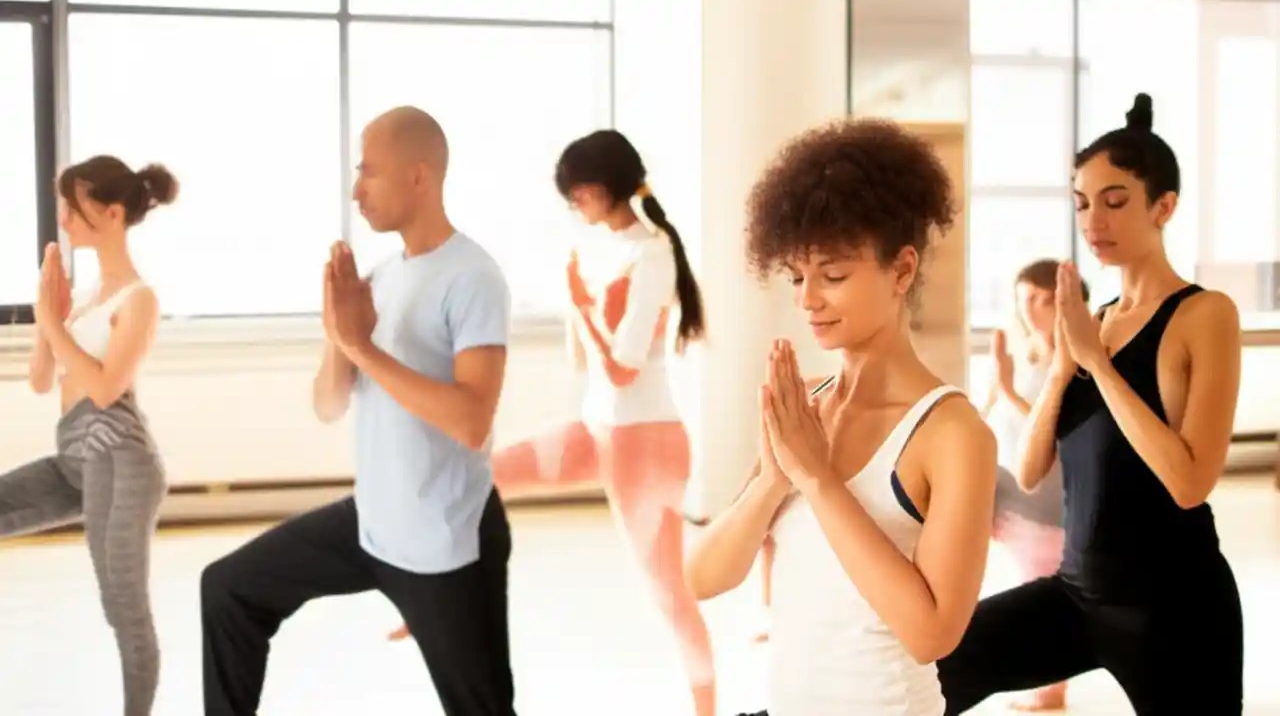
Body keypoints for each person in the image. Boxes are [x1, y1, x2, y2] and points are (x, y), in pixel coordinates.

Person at [200, 106, 517, 716]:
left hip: (447, 537)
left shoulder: (473, 276)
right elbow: (328, 405)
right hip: (373, 521)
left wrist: (362, 347)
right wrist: (337, 338)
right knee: (228, 588)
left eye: (369, 172)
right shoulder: (377, 276)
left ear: (419, 176)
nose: (356, 190)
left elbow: (471, 419)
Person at [389, 129, 716, 715]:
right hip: (597, 431)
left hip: (645, 443)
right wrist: (577, 308)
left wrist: (582, 304)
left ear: (598, 190)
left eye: (577, 195)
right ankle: (431, 600)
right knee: (476, 475)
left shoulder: (653, 253)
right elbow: (584, 363)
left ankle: (707, 708)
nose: (573, 208)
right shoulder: (605, 249)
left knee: (669, 594)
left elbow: (622, 368)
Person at [938, 94, 1244, 715]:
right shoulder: (1091, 321)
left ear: (1165, 206)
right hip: (1077, 595)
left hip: (1175, 609)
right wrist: (1064, 365)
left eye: (1114, 201)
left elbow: (1190, 482)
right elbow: (1029, 470)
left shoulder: (1204, 315)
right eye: (1081, 204)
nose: (1092, 221)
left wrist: (1097, 364)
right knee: (936, 669)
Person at [684, 118, 997, 716]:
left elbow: (932, 633)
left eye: (833, 276)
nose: (807, 299)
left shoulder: (953, 433)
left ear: (902, 270)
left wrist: (820, 482)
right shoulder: (808, 409)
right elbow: (703, 577)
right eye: (798, 277)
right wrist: (776, 479)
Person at [1, 156, 175, 716]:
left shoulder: (138, 300)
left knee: (122, 606)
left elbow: (103, 390)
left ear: (112, 212)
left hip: (120, 459)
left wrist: (53, 324)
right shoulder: (86, 299)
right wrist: (48, 316)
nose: (64, 220)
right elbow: (40, 379)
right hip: (74, 456)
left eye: (72, 208)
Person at [979, 259, 1088, 711]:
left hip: (1046, 500)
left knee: (1043, 586)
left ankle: (1051, 687)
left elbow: (1057, 434)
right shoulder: (1031, 356)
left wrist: (1007, 390)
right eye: (1024, 300)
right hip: (1013, 489)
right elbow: (992, 413)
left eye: (1038, 300)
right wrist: (995, 387)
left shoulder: (1076, 365)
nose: (1029, 310)